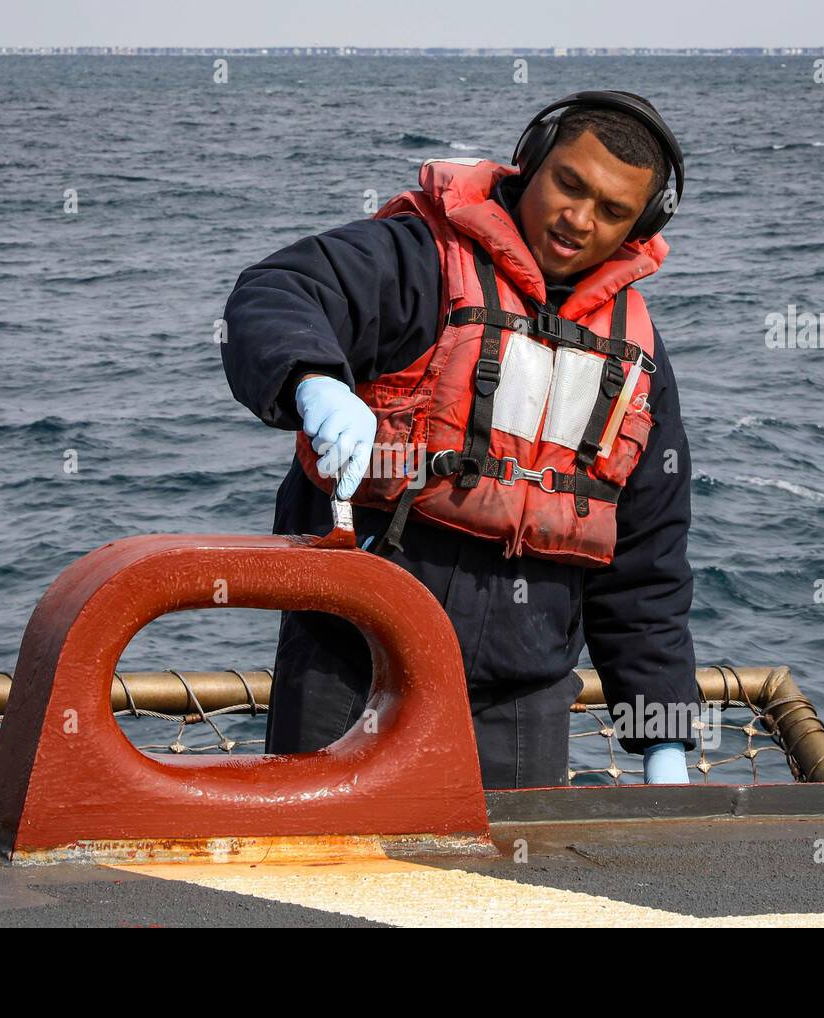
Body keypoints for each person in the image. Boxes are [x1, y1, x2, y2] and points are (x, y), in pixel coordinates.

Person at [221, 91, 701, 788]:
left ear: (639, 226)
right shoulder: (417, 259)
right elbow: (278, 292)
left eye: (611, 211)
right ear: (529, 163)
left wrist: (664, 743)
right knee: (318, 880)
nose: (578, 218)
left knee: (508, 888)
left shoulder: (637, 363)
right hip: (349, 662)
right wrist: (313, 379)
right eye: (568, 185)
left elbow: (649, 569)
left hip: (522, 698)